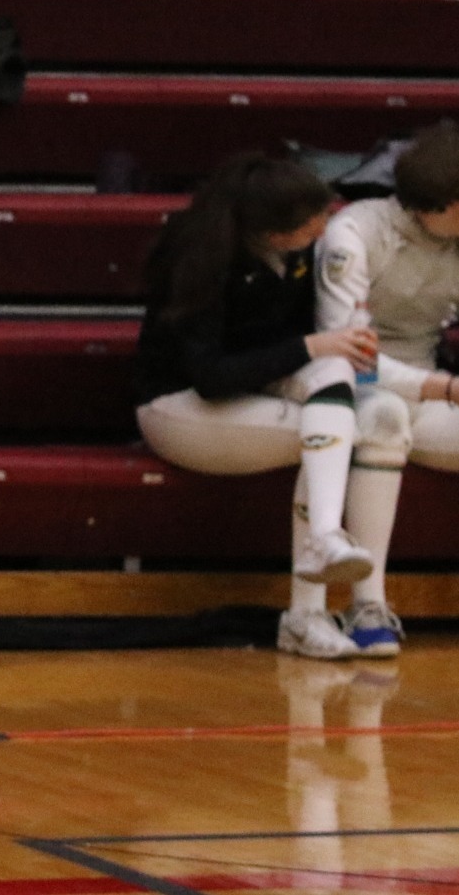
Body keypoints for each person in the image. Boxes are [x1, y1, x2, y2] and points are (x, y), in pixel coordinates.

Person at [135, 152, 395, 661]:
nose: (328, 225)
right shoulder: (201, 261)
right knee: (329, 431)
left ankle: (322, 546)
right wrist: (308, 347)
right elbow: (210, 379)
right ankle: (306, 610)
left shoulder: (298, 255)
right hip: (179, 408)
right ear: (276, 233)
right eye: (315, 220)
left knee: (335, 382)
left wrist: (324, 350)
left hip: (257, 393)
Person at [313, 120, 459, 658]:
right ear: (450, 201)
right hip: (350, 398)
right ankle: (367, 604)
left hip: (433, 398)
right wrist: (447, 390)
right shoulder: (353, 234)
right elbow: (347, 354)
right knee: (384, 417)